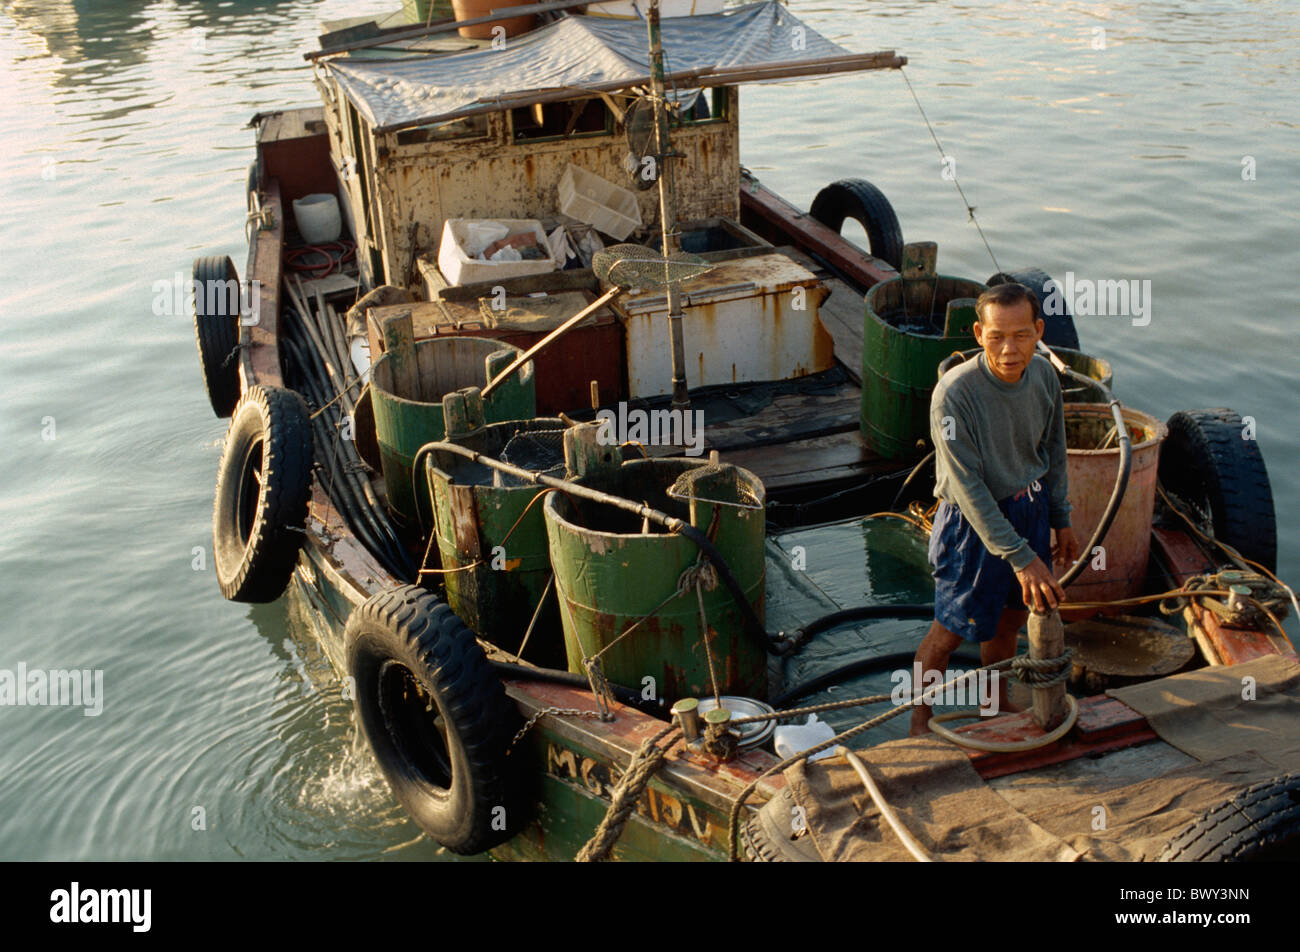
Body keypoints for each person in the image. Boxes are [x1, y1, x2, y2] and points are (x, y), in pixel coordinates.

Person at [909, 282, 1079, 735]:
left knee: (1006, 627)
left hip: (1031, 508)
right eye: (997, 336)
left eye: (1022, 335)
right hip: (972, 523)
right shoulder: (954, 395)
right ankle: (918, 719)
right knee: (948, 632)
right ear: (978, 333)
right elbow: (967, 487)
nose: (1009, 349)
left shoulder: (1044, 377)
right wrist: (1022, 558)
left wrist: (1060, 518)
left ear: (1039, 331)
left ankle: (993, 707)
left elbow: (1053, 451)